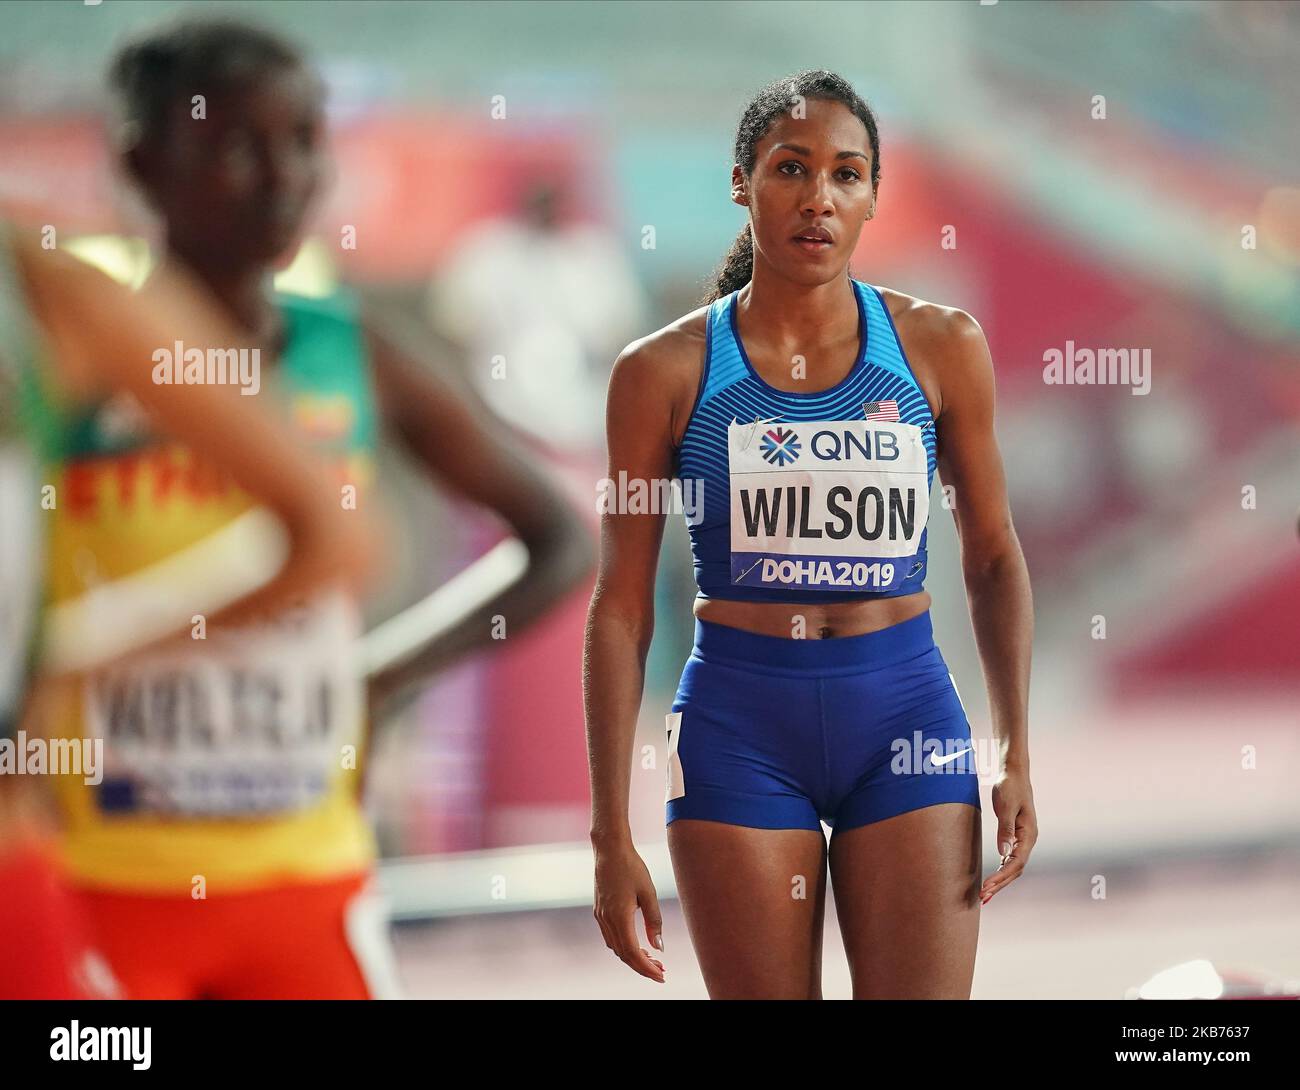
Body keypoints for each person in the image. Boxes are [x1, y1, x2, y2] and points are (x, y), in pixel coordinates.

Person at [42, 16, 593, 1000]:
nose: (281, 174)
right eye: (234, 146)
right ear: (142, 165)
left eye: (302, 141)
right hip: (105, 878)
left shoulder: (352, 352)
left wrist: (382, 678)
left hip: (306, 880)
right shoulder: (73, 363)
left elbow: (557, 538)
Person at [586, 70, 1037, 999]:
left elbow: (992, 556)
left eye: (847, 174)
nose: (819, 199)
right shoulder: (662, 372)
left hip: (904, 716)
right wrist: (606, 830)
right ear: (742, 183)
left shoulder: (940, 346)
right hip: (739, 726)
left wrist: (1015, 750)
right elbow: (621, 608)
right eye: (792, 169)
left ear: (873, 196)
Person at [0, 218, 371, 998]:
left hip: (271, 873)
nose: (276, 182)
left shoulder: (41, 288)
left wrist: (77, 656)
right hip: (110, 877)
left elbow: (337, 536)